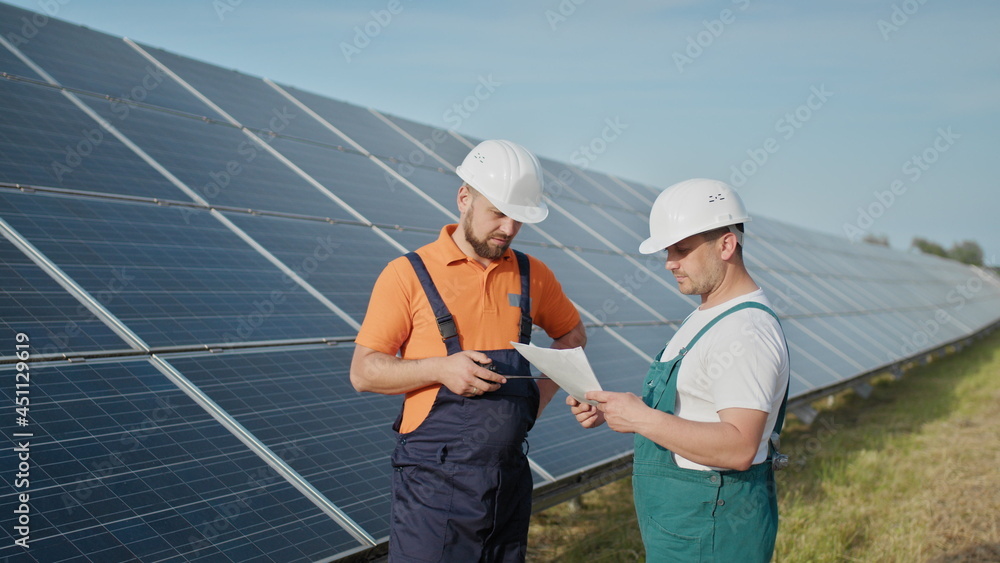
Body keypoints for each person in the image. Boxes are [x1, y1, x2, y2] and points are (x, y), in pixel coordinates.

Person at [350, 139, 586, 562]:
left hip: (508, 478)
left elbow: (572, 337)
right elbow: (364, 373)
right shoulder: (406, 275)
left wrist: (535, 400)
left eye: (519, 219)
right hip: (432, 484)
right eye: (498, 213)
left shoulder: (534, 275)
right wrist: (441, 369)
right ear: (464, 198)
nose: (509, 229)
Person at [568, 178, 789, 562]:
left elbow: (739, 446)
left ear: (726, 244)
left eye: (682, 250)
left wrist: (640, 419)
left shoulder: (744, 331)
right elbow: (692, 409)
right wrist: (616, 410)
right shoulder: (708, 315)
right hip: (691, 525)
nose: (670, 262)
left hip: (714, 529)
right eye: (668, 250)